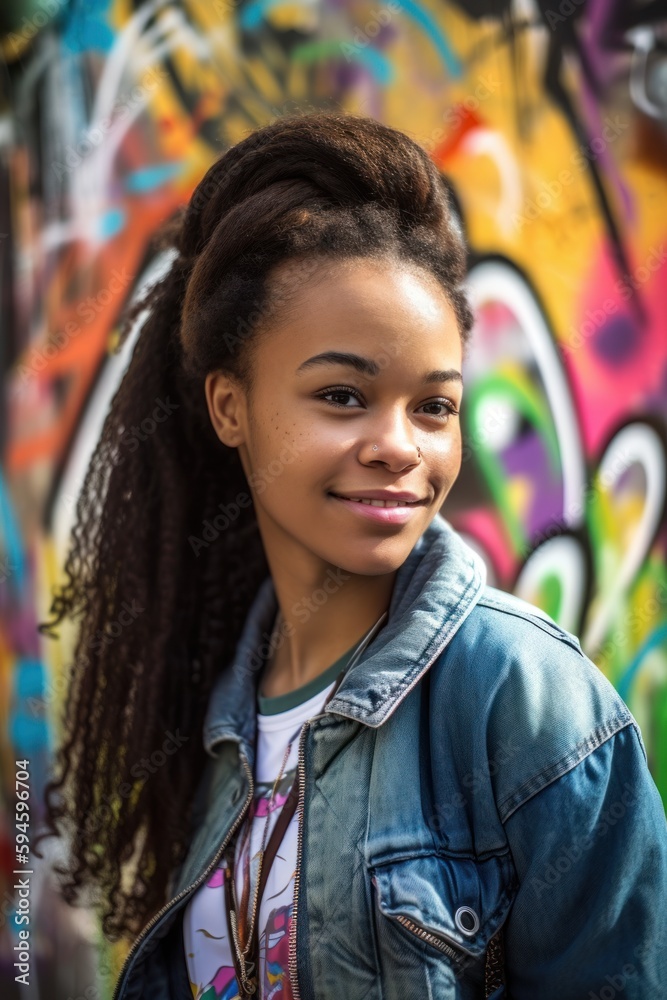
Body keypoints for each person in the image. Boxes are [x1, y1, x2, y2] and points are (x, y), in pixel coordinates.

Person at [34, 110, 667, 1000]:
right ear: (230, 407)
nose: (398, 445)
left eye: (434, 407)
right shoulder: (215, 717)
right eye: (342, 395)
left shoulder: (522, 701)